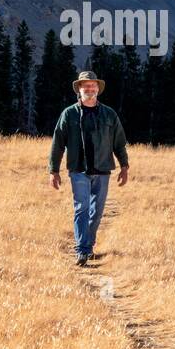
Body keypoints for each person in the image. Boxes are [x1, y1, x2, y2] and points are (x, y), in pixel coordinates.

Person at [48, 70, 129, 265]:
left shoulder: (109, 114)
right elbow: (58, 142)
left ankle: (88, 243)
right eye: (86, 85)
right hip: (79, 170)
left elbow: (119, 142)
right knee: (81, 208)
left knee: (97, 211)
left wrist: (124, 166)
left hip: (102, 171)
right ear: (80, 89)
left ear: (98, 89)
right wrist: (53, 170)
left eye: (93, 85)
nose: (89, 88)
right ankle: (82, 250)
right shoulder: (69, 114)